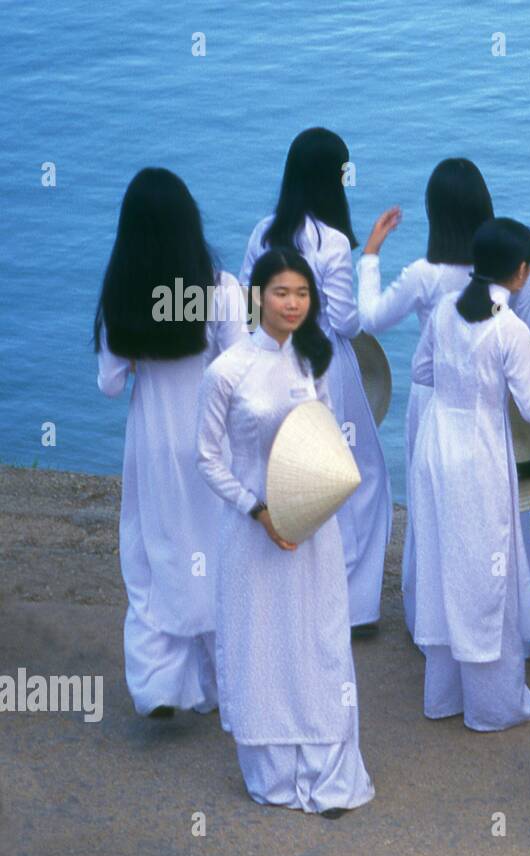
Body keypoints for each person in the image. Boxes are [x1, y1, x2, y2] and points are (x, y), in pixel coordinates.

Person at [356, 157, 530, 649]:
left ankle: (437, 622)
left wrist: (370, 253)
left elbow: (370, 317)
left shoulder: (425, 275)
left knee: (434, 513)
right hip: (491, 401)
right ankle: (501, 620)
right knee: (495, 514)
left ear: (435, 214)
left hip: (433, 402)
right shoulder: (513, 272)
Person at [196, 247, 375, 817]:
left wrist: (309, 508)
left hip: (312, 527)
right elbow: (206, 458)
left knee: (318, 641)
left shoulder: (313, 363)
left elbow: (328, 444)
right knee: (262, 644)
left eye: (302, 293)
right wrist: (258, 509)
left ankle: (326, 765)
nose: (293, 304)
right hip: (253, 531)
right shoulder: (227, 370)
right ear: (257, 298)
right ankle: (273, 773)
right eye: (281, 293)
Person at [93, 167, 246, 718]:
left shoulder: (122, 296)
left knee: (155, 556)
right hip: (209, 442)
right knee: (215, 555)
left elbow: (110, 386)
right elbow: (240, 369)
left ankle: (159, 683)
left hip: (152, 446)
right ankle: (224, 687)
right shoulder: (221, 288)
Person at [408, 219, 530, 731]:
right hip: (479, 449)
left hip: (437, 443)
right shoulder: (510, 328)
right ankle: (493, 704)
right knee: (486, 564)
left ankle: (446, 694)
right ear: (522, 272)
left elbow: (421, 373)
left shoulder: (444, 310)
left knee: (443, 555)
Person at [240, 127, 391, 639]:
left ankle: (288, 595)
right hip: (325, 365)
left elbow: (245, 309)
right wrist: (368, 251)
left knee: (282, 474)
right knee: (357, 476)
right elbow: (347, 321)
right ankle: (351, 606)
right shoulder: (332, 241)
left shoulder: (263, 232)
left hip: (270, 363)